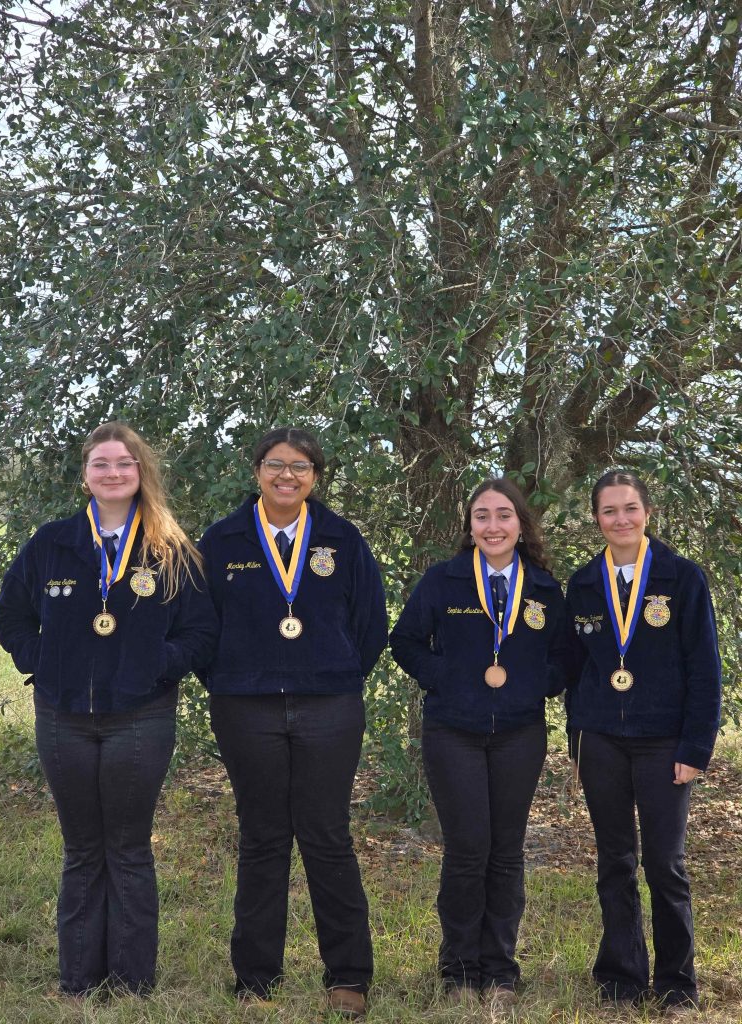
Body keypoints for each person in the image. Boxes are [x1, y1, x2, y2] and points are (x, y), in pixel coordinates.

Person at [0, 422, 218, 997]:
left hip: (140, 717)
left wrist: (156, 666)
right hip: (63, 716)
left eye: (123, 462)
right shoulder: (52, 543)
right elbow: (10, 614)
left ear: (141, 472)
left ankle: (133, 981)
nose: (112, 472)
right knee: (81, 849)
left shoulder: (169, 549)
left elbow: (200, 631)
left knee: (129, 847)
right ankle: (77, 980)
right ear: (85, 475)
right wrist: (43, 660)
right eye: (100, 463)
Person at [198, 426, 387, 1019]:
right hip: (245, 708)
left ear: (314, 476)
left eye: (300, 467)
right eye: (276, 464)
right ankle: (256, 975)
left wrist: (334, 673)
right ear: (256, 470)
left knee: (328, 837)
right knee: (261, 837)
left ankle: (349, 975)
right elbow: (202, 627)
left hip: (327, 708)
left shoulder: (340, 538)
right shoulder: (223, 539)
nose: (287, 475)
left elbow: (371, 622)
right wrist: (231, 679)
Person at [390, 478, 569, 1008]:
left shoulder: (543, 589)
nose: (493, 526)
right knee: (468, 849)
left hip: (519, 733)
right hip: (454, 733)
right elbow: (404, 641)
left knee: (507, 852)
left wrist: (539, 683)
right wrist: (446, 678)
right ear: (470, 526)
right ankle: (460, 968)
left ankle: (501, 969)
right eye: (482, 516)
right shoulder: (443, 581)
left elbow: (565, 656)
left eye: (503, 516)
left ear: (520, 524)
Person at [566, 470, 722, 1016]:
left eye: (629, 508)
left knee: (665, 864)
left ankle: (678, 982)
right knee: (614, 859)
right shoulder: (583, 583)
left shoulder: (683, 578)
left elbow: (705, 669)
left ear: (647, 512)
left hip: (664, 743)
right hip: (601, 740)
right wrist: (577, 738)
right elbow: (574, 669)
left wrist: (694, 748)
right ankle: (621, 978)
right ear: (596, 519)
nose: (621, 519)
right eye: (609, 511)